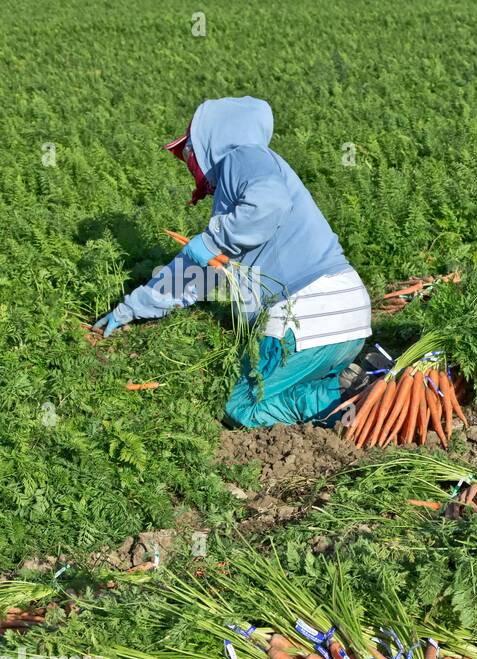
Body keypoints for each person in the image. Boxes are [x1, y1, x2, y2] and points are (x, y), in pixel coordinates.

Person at [94, 97, 372, 428]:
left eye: (188, 153)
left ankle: (334, 407)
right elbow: (195, 277)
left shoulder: (242, 156)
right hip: (349, 318)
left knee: (240, 408)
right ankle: (349, 392)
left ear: (209, 141)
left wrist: (214, 241)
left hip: (305, 319)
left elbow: (269, 203)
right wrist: (131, 308)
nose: (188, 163)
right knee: (296, 389)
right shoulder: (243, 185)